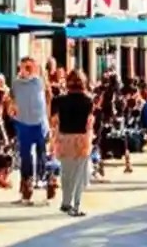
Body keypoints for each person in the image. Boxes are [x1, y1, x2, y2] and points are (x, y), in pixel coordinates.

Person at [50, 70, 95, 216]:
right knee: (79, 174)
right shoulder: (88, 100)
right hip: (81, 139)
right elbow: (89, 122)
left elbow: (54, 120)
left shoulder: (59, 100)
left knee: (66, 173)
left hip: (64, 139)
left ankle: (65, 202)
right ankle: (76, 205)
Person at [11, 57, 51, 203]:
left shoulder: (38, 81)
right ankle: (26, 187)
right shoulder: (16, 83)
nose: (25, 70)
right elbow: (13, 98)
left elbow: (47, 91)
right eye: (22, 67)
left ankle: (43, 181)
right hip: (23, 123)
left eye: (28, 67)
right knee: (25, 156)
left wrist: (34, 67)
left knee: (42, 153)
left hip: (39, 123)